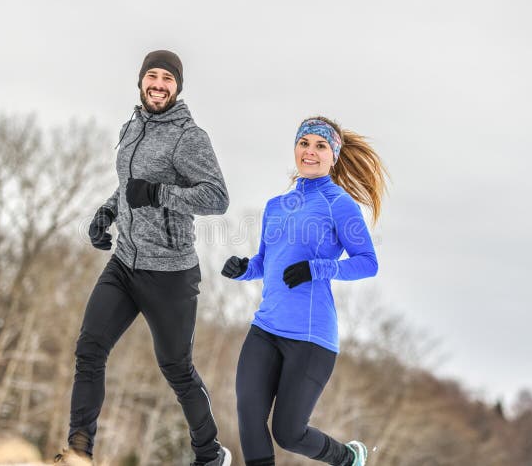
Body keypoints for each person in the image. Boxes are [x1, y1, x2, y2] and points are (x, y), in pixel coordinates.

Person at [57, 50, 232, 466]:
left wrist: (158, 193)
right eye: (151, 76)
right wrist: (107, 212)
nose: (158, 84)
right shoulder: (132, 125)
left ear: (178, 87)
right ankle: (79, 452)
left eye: (167, 79)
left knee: (176, 368)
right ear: (140, 82)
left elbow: (217, 198)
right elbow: (127, 185)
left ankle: (210, 454)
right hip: (125, 263)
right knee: (89, 349)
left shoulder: (189, 137)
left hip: (170, 272)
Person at [221, 117, 387, 466]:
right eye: (304, 143)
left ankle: (346, 458)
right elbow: (267, 262)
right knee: (249, 419)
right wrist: (244, 269)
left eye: (320, 145)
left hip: (311, 338)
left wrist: (318, 268)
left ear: (334, 156)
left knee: (289, 432)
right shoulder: (275, 206)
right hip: (265, 328)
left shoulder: (339, 204)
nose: (310, 151)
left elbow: (367, 262)